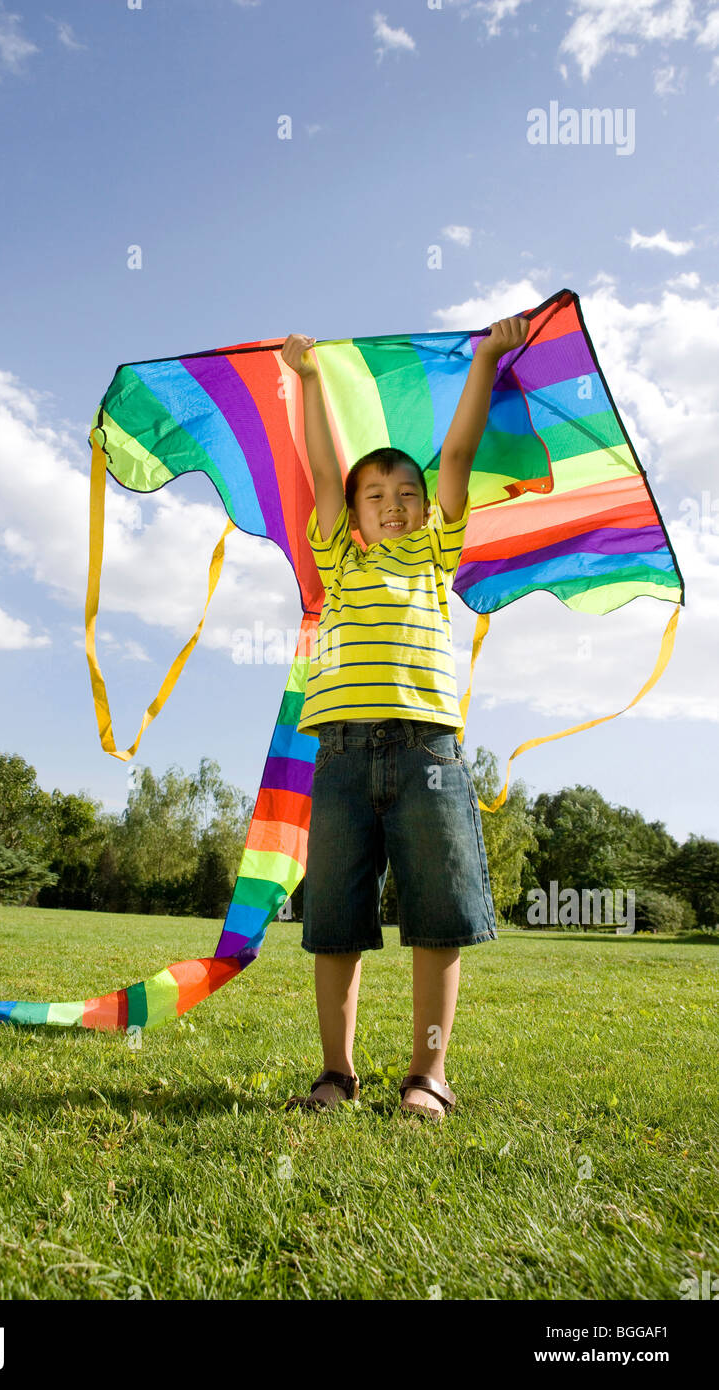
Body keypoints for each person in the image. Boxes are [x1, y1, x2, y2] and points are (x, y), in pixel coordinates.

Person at [281, 317, 529, 1120]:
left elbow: (456, 453)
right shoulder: (338, 559)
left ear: (427, 509)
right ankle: (335, 1073)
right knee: (335, 922)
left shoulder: (434, 554)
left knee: (437, 916)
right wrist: (310, 379)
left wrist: (488, 356)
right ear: (353, 512)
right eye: (375, 496)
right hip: (343, 756)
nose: (393, 505)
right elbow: (321, 466)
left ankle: (427, 1077)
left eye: (407, 495)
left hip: (428, 753)